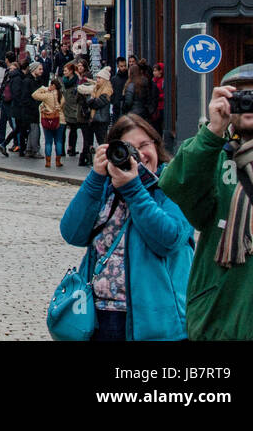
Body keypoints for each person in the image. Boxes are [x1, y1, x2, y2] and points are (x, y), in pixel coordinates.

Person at [159, 63, 253, 340]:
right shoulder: (211, 153)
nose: (248, 104)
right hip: (217, 312)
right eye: (238, 96)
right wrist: (213, 130)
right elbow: (178, 186)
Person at [58, 114, 194, 341]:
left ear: (156, 145)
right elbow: (72, 233)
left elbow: (169, 239)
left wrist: (133, 189)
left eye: (144, 146)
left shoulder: (172, 185)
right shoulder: (107, 188)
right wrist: (94, 179)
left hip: (154, 321)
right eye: (128, 148)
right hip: (99, 318)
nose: (139, 155)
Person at [78, 67, 115, 167]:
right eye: (97, 77)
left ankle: (107, 161)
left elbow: (96, 103)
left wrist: (91, 100)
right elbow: (90, 101)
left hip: (101, 120)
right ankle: (88, 159)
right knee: (89, 141)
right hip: (94, 119)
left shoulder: (107, 91)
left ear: (105, 80)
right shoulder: (96, 89)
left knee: (102, 142)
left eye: (100, 78)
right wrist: (91, 99)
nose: (97, 80)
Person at [34, 76, 66, 169]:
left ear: (52, 85)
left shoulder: (47, 95)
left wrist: (44, 88)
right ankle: (58, 161)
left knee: (48, 142)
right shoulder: (61, 96)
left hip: (48, 120)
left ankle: (48, 162)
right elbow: (63, 107)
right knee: (59, 141)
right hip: (60, 120)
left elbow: (34, 95)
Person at [0, 58, 19, 155]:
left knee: (13, 125)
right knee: (2, 123)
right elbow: (3, 87)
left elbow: (14, 93)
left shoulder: (15, 78)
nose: (10, 70)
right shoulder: (8, 75)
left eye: (12, 69)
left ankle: (15, 143)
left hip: (10, 104)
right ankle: (1, 142)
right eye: (10, 68)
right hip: (4, 101)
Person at [62, 61, 85, 157]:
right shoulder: (63, 80)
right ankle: (61, 150)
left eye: (66, 70)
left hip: (74, 106)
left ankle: (71, 148)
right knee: (62, 129)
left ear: (71, 71)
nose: (64, 72)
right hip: (65, 107)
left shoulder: (77, 80)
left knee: (73, 129)